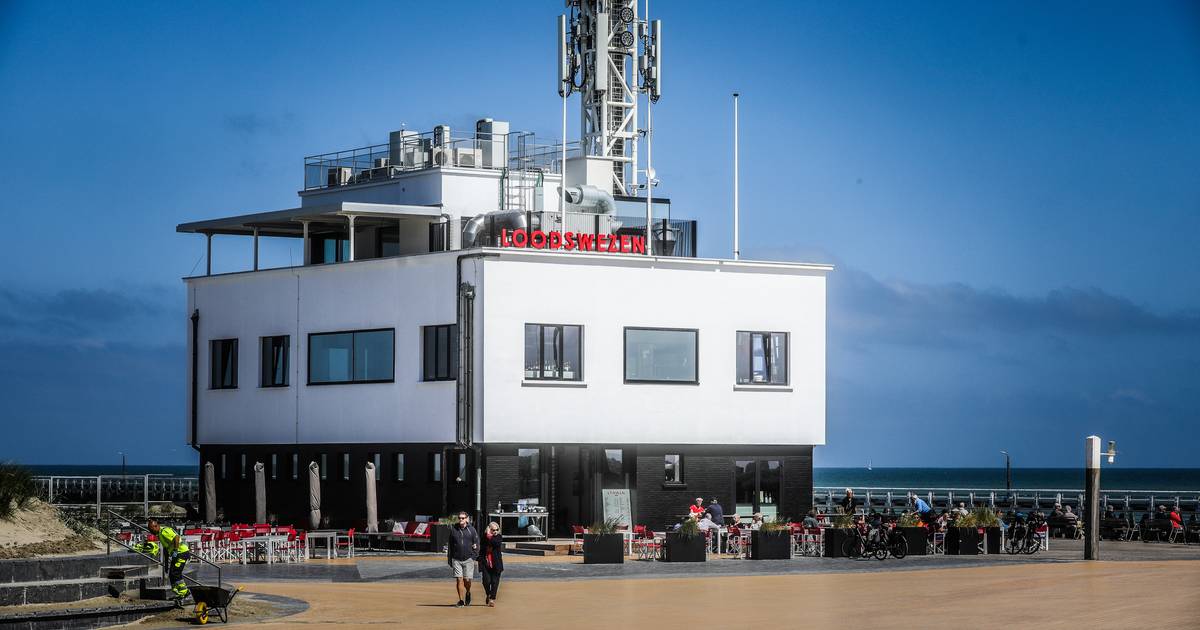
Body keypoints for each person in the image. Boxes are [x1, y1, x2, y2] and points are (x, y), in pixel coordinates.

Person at [138, 518, 190, 600]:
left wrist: (176, 550)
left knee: (175, 573)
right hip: (177, 554)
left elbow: (176, 537)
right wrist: (165, 563)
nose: (151, 532)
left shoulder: (164, 531)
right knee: (172, 574)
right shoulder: (160, 534)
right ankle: (178, 592)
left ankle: (184, 592)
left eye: (152, 529)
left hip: (181, 553)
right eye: (149, 530)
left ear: (156, 526)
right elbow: (166, 548)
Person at [447, 511, 479, 607]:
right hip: (457, 559)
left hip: (469, 559)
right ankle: (461, 600)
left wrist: (474, 556)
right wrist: (450, 558)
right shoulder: (454, 530)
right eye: (460, 518)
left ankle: (468, 592)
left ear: (466, 519)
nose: (461, 520)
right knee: (459, 579)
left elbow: (477, 543)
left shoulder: (472, 530)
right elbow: (450, 545)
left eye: (463, 518)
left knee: (467, 580)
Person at [477, 521, 504, 607]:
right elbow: (481, 549)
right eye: (493, 530)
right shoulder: (484, 537)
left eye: (497, 529)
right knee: (486, 581)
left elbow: (495, 543)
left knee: (495, 582)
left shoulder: (498, 537)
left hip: (496, 564)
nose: (495, 531)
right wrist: (479, 562)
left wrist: (489, 535)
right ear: (489, 529)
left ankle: (492, 599)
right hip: (486, 563)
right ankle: (488, 594)